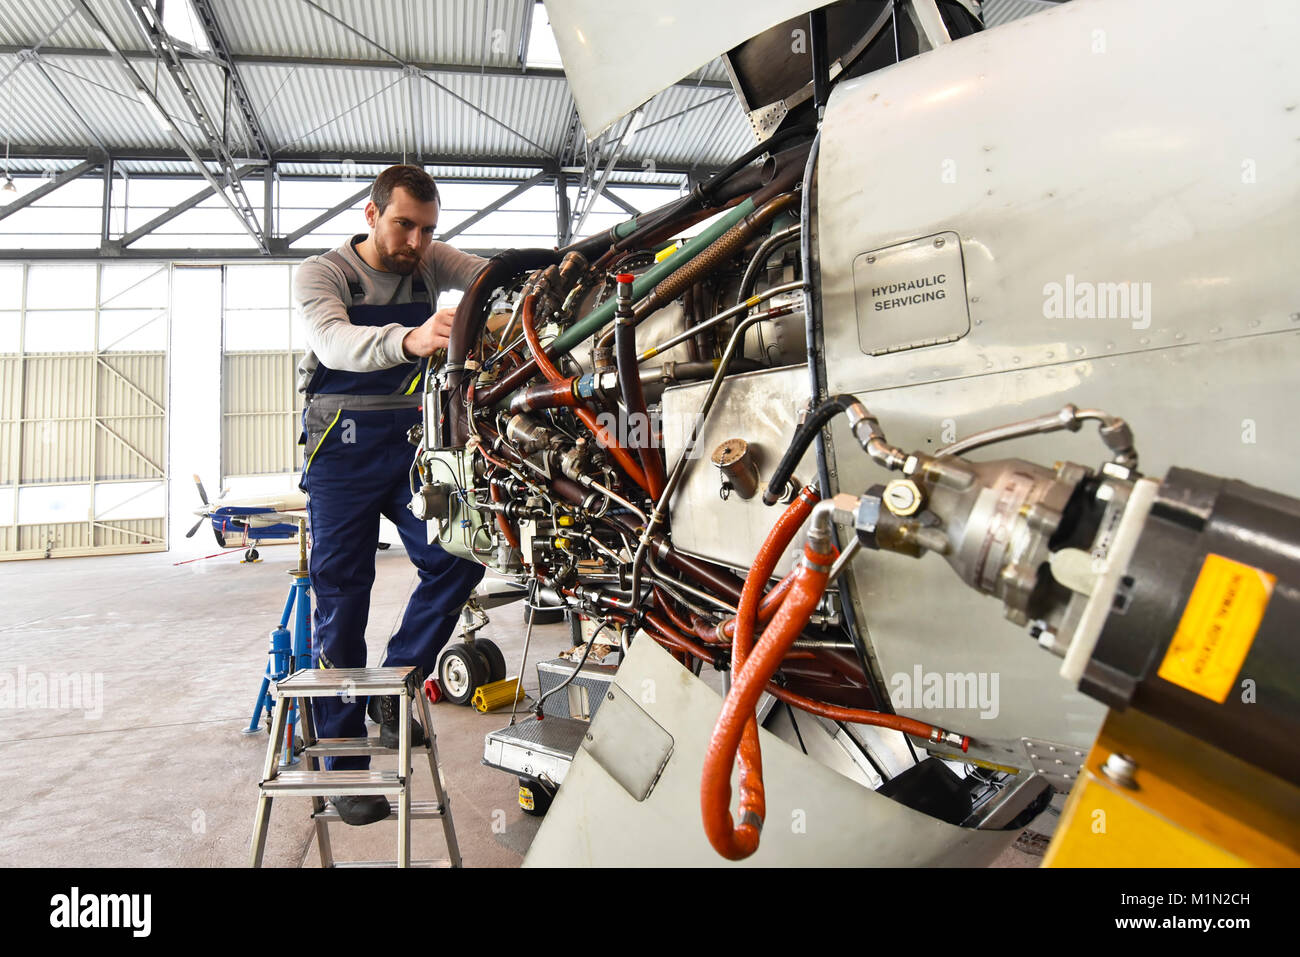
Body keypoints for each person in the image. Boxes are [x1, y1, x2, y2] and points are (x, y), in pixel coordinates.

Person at [294, 165, 487, 826]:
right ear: (371, 213)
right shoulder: (323, 274)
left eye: (428, 228)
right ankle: (343, 765)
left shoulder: (431, 260)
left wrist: (551, 275)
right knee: (343, 599)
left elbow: (490, 277)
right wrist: (412, 337)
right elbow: (335, 342)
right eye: (404, 224)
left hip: (411, 450)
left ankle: (396, 687)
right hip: (339, 456)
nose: (416, 240)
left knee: (460, 557)